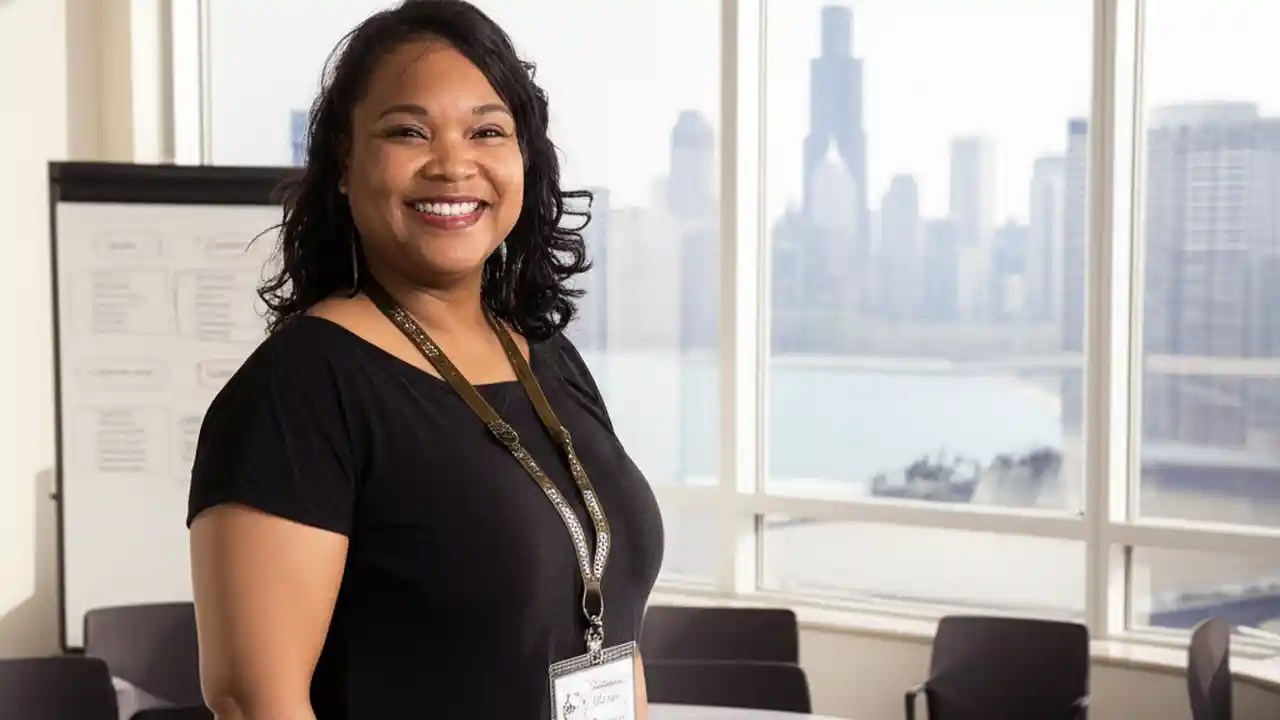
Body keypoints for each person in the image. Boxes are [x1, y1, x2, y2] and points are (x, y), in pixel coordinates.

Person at [186, 1, 664, 717]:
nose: (453, 163)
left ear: (523, 161)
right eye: (408, 131)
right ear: (345, 166)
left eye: (487, 131)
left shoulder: (547, 359)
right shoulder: (303, 387)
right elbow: (255, 700)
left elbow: (611, 634)